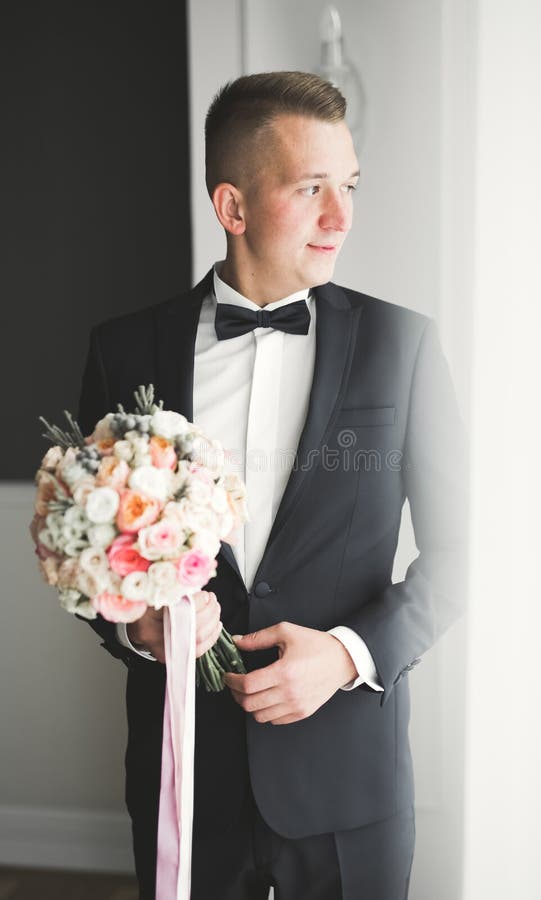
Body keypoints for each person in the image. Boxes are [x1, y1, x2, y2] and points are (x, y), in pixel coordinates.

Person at [77, 71, 468, 900]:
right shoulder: (124, 353)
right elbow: (95, 567)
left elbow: (466, 552)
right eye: (312, 188)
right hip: (184, 777)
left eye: (350, 186)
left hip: (348, 788)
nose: (344, 217)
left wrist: (347, 655)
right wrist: (138, 631)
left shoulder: (404, 346)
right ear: (233, 207)